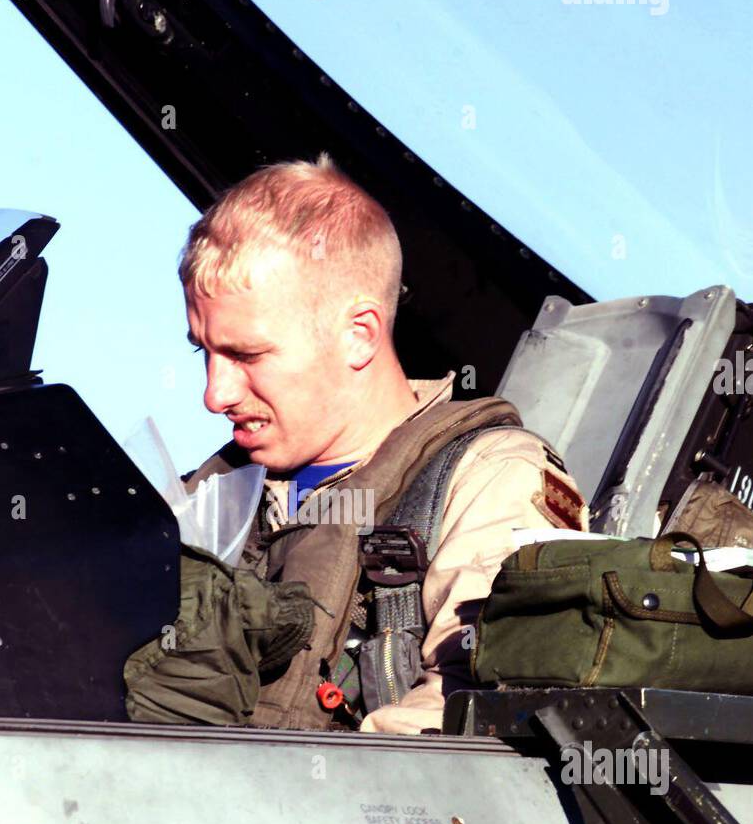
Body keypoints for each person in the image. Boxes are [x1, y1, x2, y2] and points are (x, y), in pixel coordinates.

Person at [180, 154, 588, 734]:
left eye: (246, 355)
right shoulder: (218, 493)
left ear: (359, 335)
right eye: (204, 352)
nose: (214, 394)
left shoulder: (487, 480)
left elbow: (481, 712)